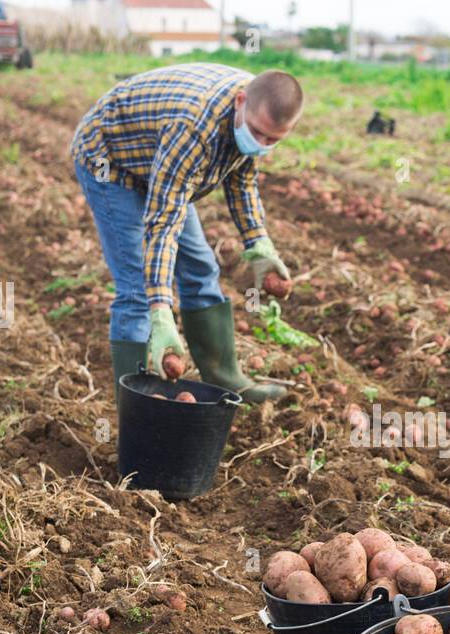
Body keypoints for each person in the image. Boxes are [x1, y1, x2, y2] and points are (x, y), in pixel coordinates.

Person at [71, 63, 301, 407]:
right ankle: (138, 409)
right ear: (240, 102)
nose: (262, 144)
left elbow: (241, 179)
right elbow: (163, 225)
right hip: (111, 162)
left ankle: (226, 379)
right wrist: (162, 311)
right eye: (257, 133)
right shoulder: (192, 129)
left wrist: (258, 244)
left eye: (273, 140)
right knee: (136, 290)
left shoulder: (254, 113)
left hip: (160, 161)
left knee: (201, 267)